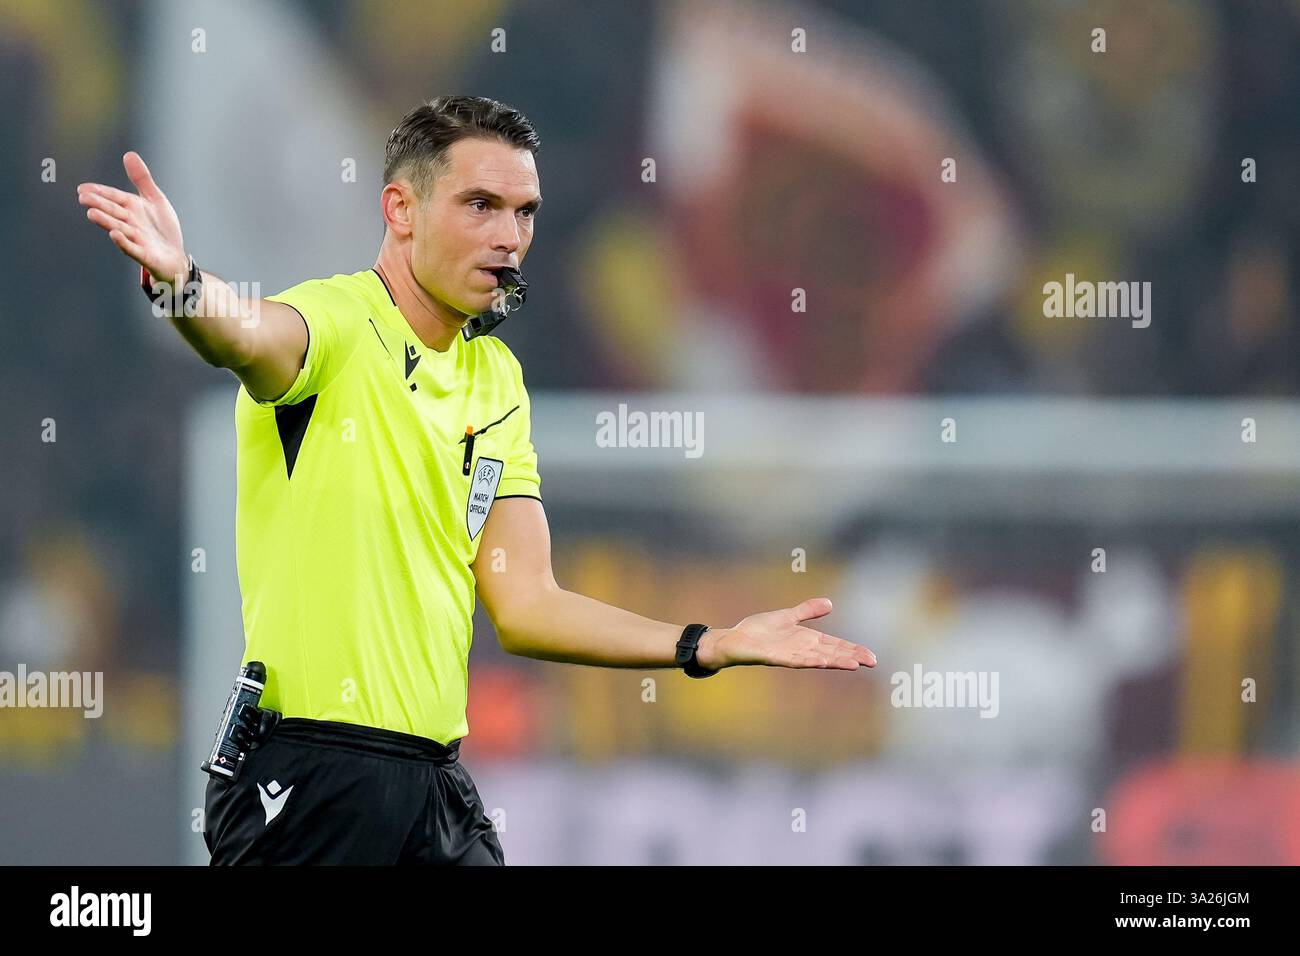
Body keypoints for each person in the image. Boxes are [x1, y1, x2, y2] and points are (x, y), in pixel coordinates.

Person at [76, 95, 877, 865]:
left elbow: (526, 604)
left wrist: (708, 643)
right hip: (310, 776)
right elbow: (243, 333)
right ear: (401, 210)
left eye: (524, 212)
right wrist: (179, 281)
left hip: (435, 787)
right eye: (481, 205)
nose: (509, 237)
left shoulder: (496, 381)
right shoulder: (337, 323)